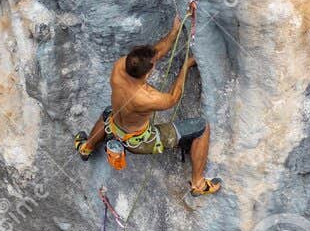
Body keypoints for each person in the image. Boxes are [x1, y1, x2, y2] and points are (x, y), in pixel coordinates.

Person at [74, 15, 222, 196]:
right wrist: (186, 66)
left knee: (108, 113)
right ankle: (198, 183)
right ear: (149, 72)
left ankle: (86, 147)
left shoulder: (121, 66)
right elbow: (174, 97)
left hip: (114, 127)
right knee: (202, 127)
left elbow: (154, 53)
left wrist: (174, 32)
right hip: (140, 141)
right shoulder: (147, 98)